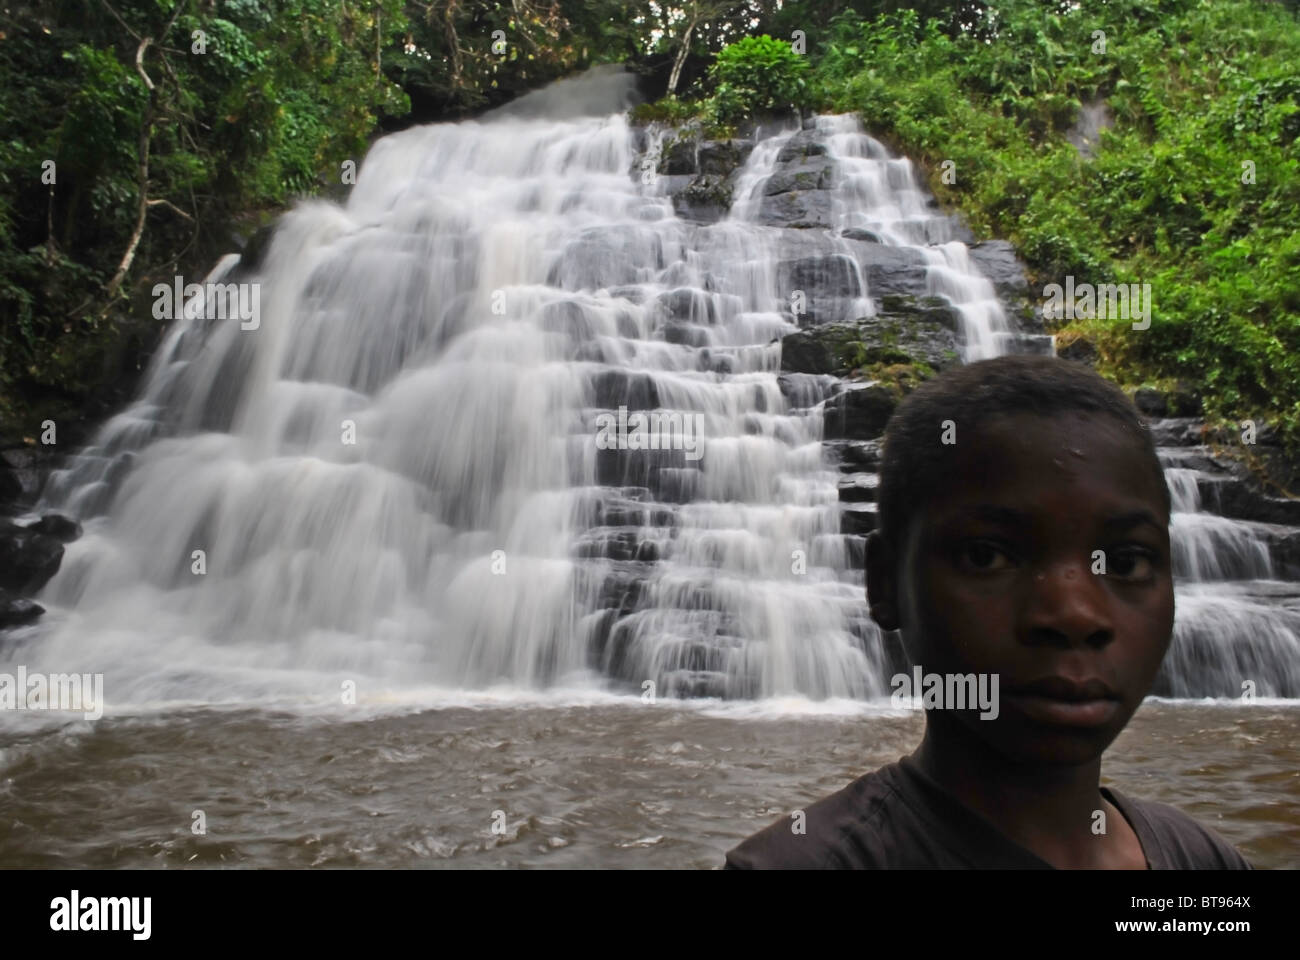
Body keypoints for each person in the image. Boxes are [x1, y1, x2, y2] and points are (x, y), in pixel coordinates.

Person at [725, 355, 1251, 869]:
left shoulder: (1205, 862)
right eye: (987, 556)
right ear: (884, 584)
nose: (1075, 614)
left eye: (1127, 561)